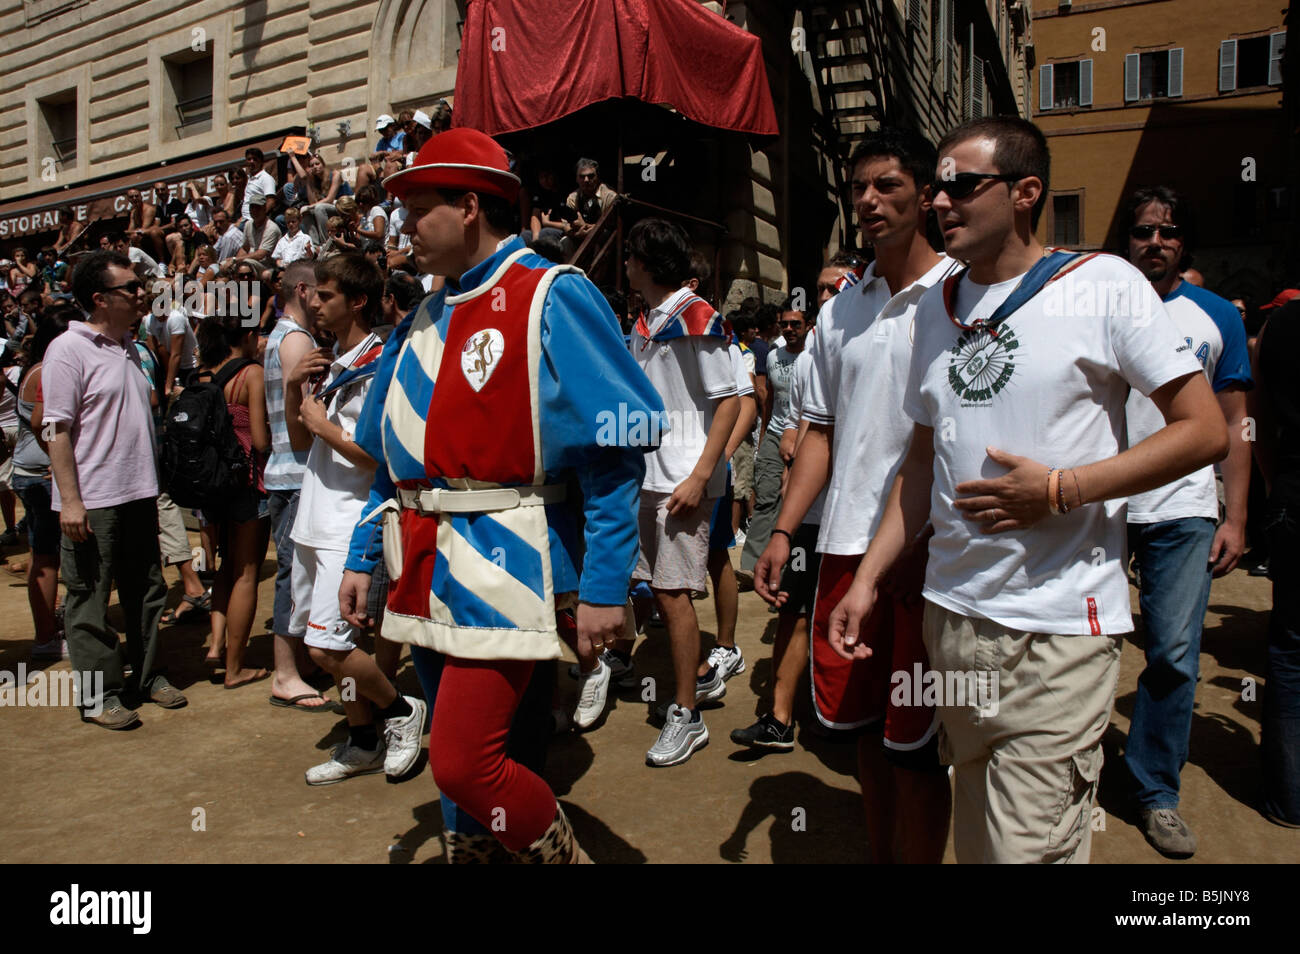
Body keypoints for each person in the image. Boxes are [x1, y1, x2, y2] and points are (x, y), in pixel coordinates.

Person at [828, 116, 1228, 864]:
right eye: (937, 185)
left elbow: (1203, 429)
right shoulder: (934, 308)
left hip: (1056, 635)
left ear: (1025, 193)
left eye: (962, 185)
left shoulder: (1102, 285)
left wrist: (1061, 489)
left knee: (1024, 854)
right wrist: (870, 580)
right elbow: (921, 460)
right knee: (980, 839)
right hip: (955, 624)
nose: (940, 201)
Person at [336, 127, 662, 861]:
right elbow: (392, 466)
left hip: (510, 564)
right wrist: (363, 558)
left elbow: (615, 453)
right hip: (420, 565)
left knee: (464, 761)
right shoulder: (416, 321)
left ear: (472, 206)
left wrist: (607, 585)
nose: (404, 227)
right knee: (470, 777)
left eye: (419, 208)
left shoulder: (553, 293)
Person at [752, 128, 959, 862]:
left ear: (927, 195)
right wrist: (783, 530)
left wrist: (927, 540)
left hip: (923, 555)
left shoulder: (962, 295)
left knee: (920, 747)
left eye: (887, 185)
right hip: (844, 546)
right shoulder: (842, 308)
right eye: (858, 187)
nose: (868, 200)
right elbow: (821, 433)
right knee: (864, 731)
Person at [1121, 185, 1254, 858]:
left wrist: (1236, 516)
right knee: (1079, 645)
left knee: (1173, 653)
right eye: (1143, 230)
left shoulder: (1215, 318)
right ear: (1127, 239)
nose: (1155, 241)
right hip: (1102, 507)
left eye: (1167, 232)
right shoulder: (1098, 307)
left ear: (1183, 243)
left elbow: (1235, 424)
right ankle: (1065, 768)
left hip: (1184, 511)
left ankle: (1153, 790)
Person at [280, 254, 425, 783]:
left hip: (352, 520)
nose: (312, 301)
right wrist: (295, 390)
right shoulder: (326, 361)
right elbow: (301, 444)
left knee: (327, 647)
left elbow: (380, 455)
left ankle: (402, 712)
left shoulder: (381, 360)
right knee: (326, 649)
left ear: (357, 301)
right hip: (313, 518)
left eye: (325, 294)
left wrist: (321, 425)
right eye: (313, 293)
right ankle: (363, 740)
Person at [45, 251, 189, 728]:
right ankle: (98, 695)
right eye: (130, 287)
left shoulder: (130, 346)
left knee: (146, 588)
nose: (140, 292)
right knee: (88, 598)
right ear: (99, 299)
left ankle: (147, 677)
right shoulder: (68, 350)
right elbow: (56, 430)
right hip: (93, 501)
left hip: (137, 493)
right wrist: (70, 500)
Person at [617, 217, 740, 766]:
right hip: (650, 477)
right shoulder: (645, 322)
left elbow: (732, 401)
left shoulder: (697, 316)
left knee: (673, 594)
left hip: (682, 482)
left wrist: (699, 476)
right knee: (655, 592)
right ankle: (687, 689)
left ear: (646, 261)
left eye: (630, 256)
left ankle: (686, 714)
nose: (624, 265)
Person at [262, 260, 333, 711]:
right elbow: (304, 412)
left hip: (288, 469)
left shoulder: (282, 336)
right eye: (321, 293)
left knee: (297, 569)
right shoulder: (296, 340)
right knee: (294, 571)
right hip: (295, 471)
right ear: (303, 290)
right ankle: (285, 673)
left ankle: (297, 666)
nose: (325, 301)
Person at [1249, 295, 1300, 828]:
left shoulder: (1281, 324)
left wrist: (1273, 484)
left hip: (1292, 492)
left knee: (1291, 648)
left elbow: (1254, 417)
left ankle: (1289, 797)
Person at [13, 304, 76, 659]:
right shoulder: (46, 372)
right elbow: (45, 424)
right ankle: (47, 635)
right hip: (42, 475)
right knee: (50, 557)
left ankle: (49, 631)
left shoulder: (33, 369)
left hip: (31, 472)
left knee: (46, 554)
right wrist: (56, 458)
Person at [739, 297, 808, 578]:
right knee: (766, 497)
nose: (789, 329)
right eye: (784, 324)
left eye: (796, 324)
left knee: (798, 503)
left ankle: (792, 571)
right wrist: (764, 435)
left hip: (806, 437)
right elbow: (768, 400)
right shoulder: (772, 356)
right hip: (775, 434)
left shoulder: (815, 357)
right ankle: (752, 566)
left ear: (808, 326)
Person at [238, 194, 282, 268]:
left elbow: (261, 254)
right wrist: (233, 262)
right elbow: (245, 248)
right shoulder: (248, 224)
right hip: (250, 262)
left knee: (246, 265)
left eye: (258, 208)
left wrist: (237, 260)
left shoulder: (272, 228)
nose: (254, 211)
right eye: (252, 207)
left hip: (267, 265)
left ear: (264, 208)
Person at [241, 149, 277, 223]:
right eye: (249, 159)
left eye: (255, 159)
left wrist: (257, 219)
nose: (251, 161)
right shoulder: (249, 178)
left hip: (253, 221)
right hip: (244, 219)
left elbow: (271, 202)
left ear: (261, 162)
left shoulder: (266, 178)